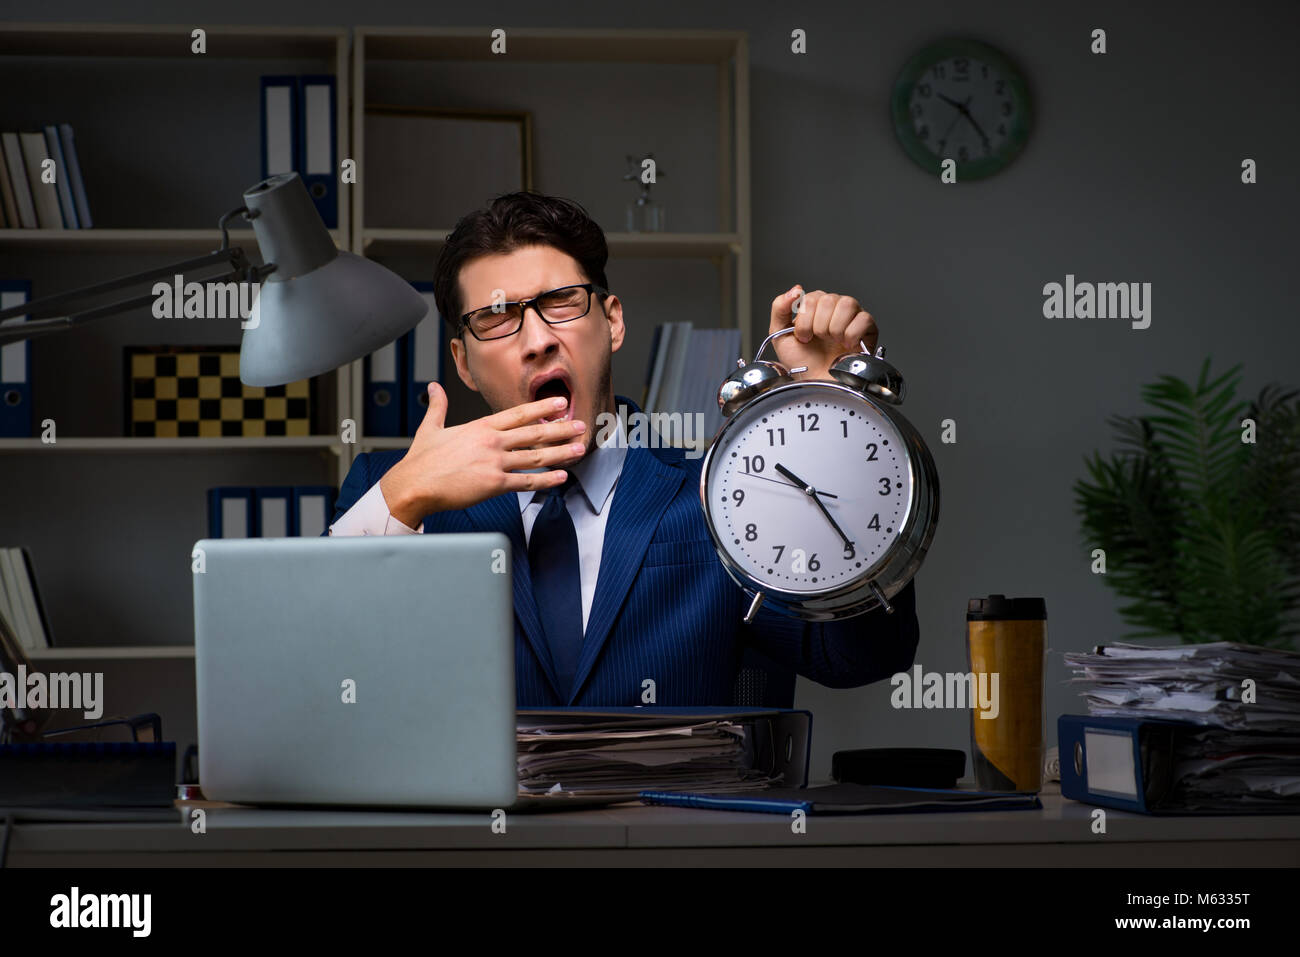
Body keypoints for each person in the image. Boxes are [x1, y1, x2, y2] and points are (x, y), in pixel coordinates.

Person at [329, 191, 920, 707]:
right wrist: (404, 496)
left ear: (611, 322)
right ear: (463, 363)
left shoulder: (725, 496)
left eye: (560, 301)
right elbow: (325, 673)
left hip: (668, 833)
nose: (537, 340)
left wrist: (831, 417)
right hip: (470, 839)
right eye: (497, 318)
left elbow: (859, 657)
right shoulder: (394, 494)